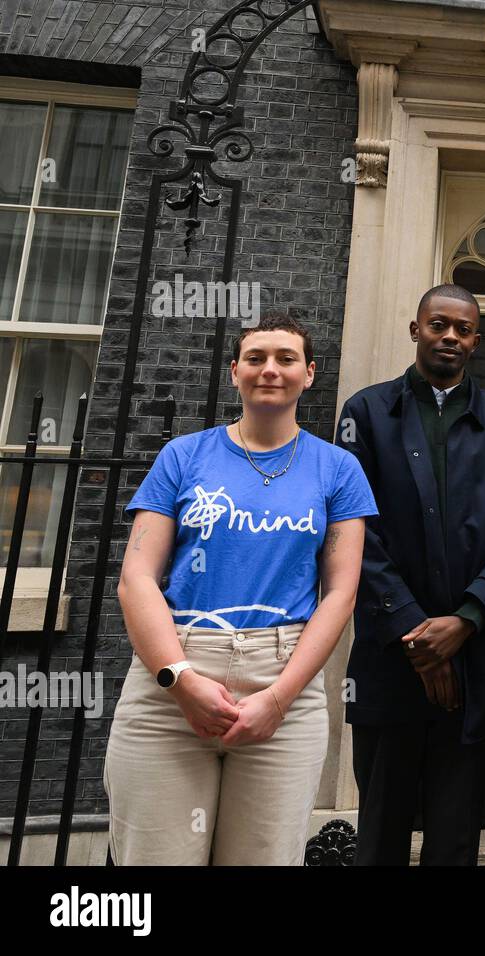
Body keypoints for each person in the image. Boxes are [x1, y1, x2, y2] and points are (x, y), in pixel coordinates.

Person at [106, 313, 375, 865]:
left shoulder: (339, 469)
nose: (270, 370)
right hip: (173, 677)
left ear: (309, 374)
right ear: (234, 372)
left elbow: (341, 595)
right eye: (255, 359)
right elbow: (136, 579)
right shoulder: (184, 456)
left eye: (285, 359)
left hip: (284, 680)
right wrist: (179, 679)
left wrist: (277, 700)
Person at [338, 283, 485, 866]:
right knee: (380, 831)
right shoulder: (367, 413)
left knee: (455, 838)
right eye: (438, 324)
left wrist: (467, 620)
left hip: (474, 664)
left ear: (476, 339)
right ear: (416, 329)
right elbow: (354, 535)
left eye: (463, 329)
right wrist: (420, 636)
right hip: (388, 659)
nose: (450, 336)